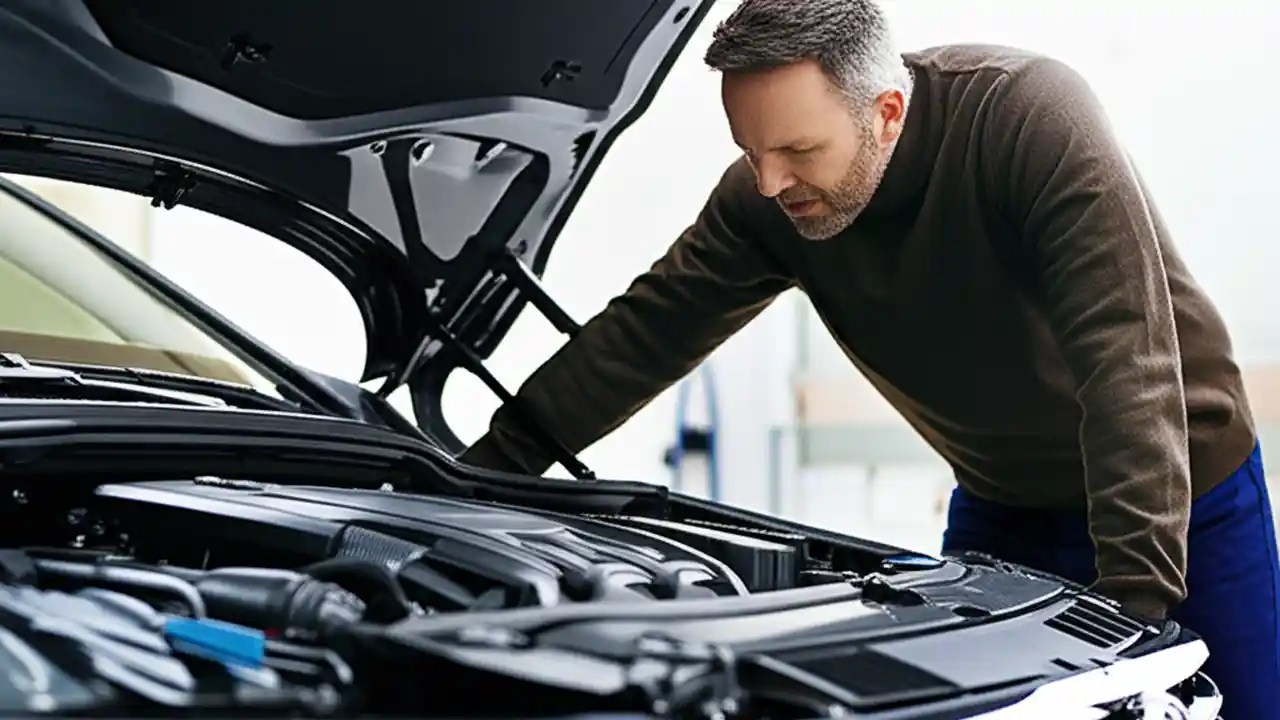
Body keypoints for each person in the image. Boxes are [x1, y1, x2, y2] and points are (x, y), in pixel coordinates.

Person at [460, 0, 1280, 714]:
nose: (771, 183)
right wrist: (482, 472)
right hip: (1004, 506)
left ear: (887, 111)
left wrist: (1127, 615)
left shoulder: (1027, 120)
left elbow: (1125, 366)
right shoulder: (768, 200)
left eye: (797, 152)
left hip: (1180, 495)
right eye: (752, 152)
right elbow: (646, 333)